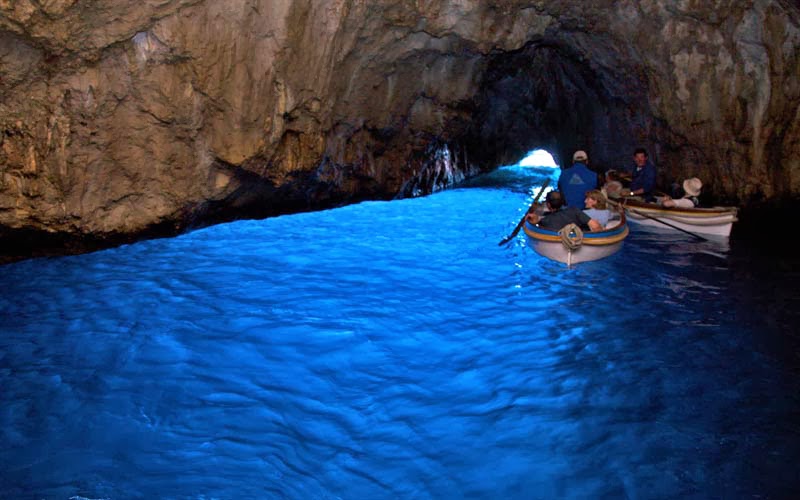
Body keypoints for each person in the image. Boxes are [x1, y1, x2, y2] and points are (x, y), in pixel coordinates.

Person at [526, 191, 602, 232]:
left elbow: (534, 222)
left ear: (548, 205)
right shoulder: (574, 210)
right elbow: (596, 226)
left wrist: (533, 218)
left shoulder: (545, 220)